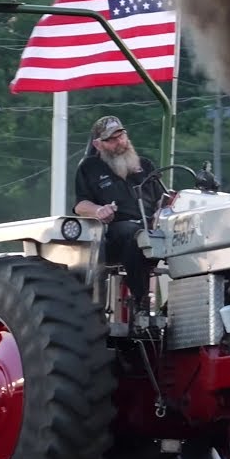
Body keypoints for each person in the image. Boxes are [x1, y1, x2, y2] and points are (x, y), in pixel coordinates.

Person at [74, 115, 165, 312]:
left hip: (152, 224)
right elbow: (80, 205)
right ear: (98, 144)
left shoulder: (145, 165)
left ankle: (178, 303)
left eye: (122, 136)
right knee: (134, 235)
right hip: (115, 229)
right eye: (113, 139)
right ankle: (141, 300)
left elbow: (162, 198)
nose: (120, 142)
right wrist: (98, 210)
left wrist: (162, 211)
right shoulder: (89, 168)